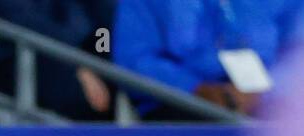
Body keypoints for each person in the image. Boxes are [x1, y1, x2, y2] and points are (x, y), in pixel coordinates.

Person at [115, 0, 304, 116]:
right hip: (182, 105)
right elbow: (133, 60)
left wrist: (266, 94)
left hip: (269, 102)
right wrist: (194, 89)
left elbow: (297, 55)